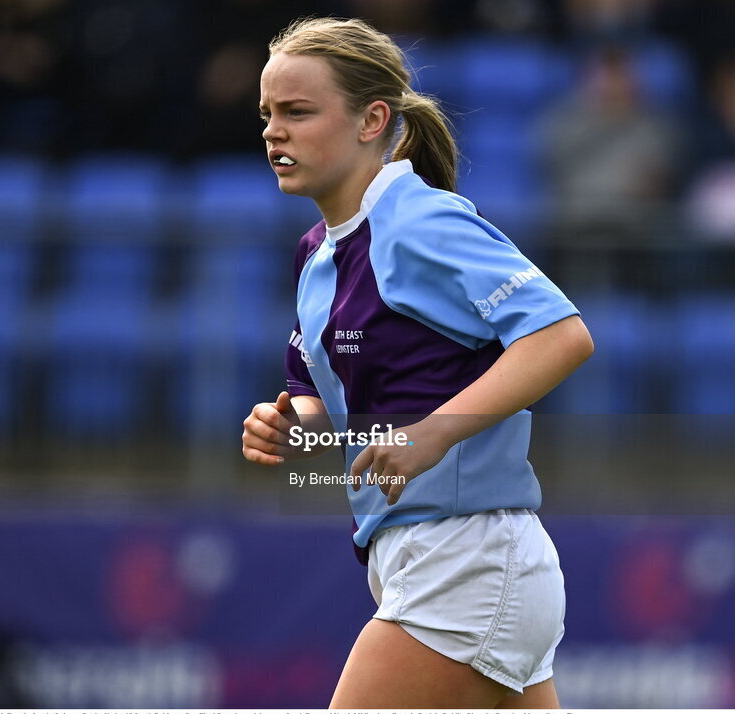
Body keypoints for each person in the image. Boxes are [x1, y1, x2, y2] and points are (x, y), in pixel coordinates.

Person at [242, 17, 594, 708]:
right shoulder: (315, 252)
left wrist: (431, 433)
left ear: (372, 120)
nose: (273, 132)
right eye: (266, 115)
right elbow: (315, 392)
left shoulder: (420, 221)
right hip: (435, 560)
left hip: (464, 561)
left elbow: (560, 335)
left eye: (297, 112)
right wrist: (291, 426)